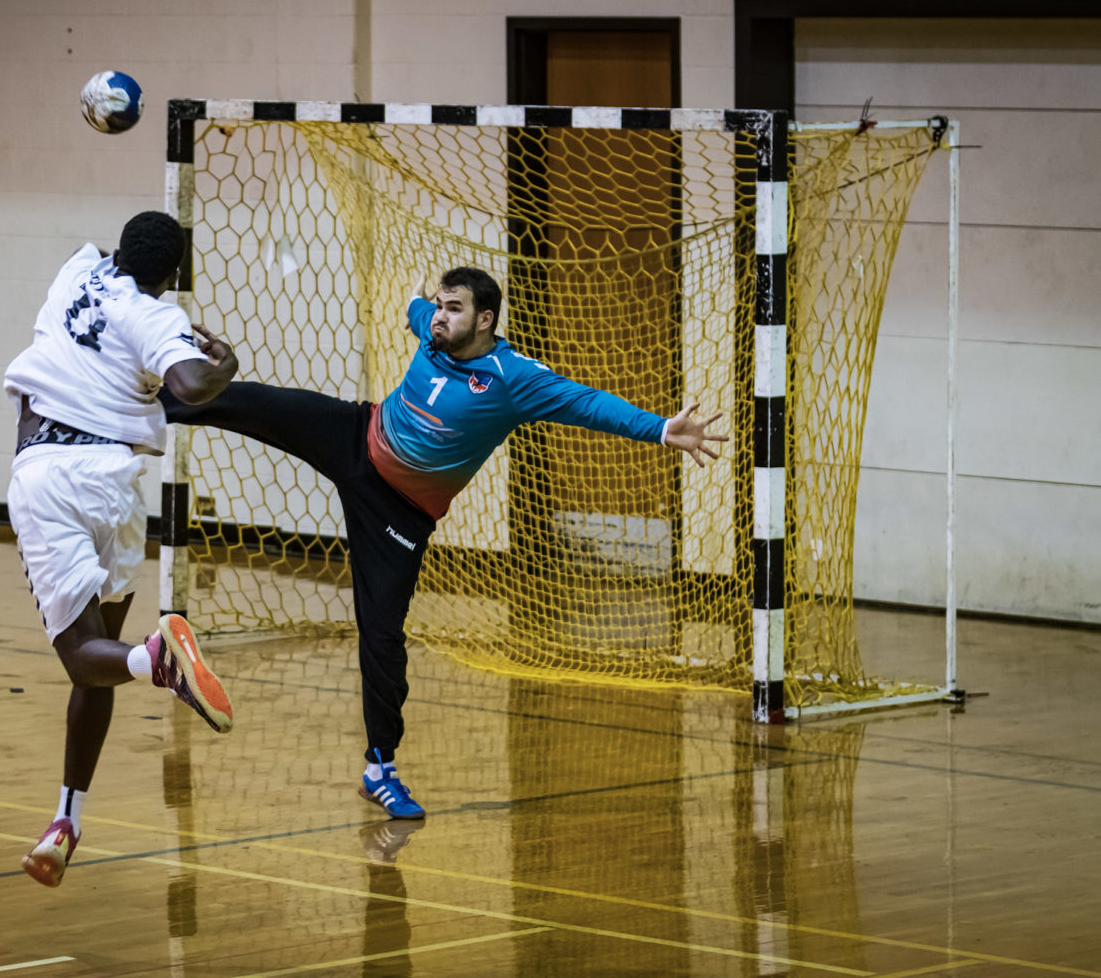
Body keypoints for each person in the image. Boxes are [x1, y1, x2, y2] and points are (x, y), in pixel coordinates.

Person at [159, 267, 727, 820]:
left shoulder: (513, 377)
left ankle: (379, 769)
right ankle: (136, 404)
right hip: (359, 435)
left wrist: (660, 429)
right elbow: (417, 310)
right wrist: (421, 302)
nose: (438, 316)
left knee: (382, 637)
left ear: (485, 320)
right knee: (250, 401)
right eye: (437, 305)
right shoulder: (431, 327)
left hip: (399, 512)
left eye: (453, 308)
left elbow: (587, 404)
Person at [3, 210, 239, 887]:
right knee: (93, 665)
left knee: (84, 654)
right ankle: (66, 821)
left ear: (120, 250)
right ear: (173, 274)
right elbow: (190, 385)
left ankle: (156, 657)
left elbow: (124, 255)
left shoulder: (77, 269)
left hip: (51, 473)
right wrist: (227, 366)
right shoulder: (157, 317)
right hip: (119, 482)